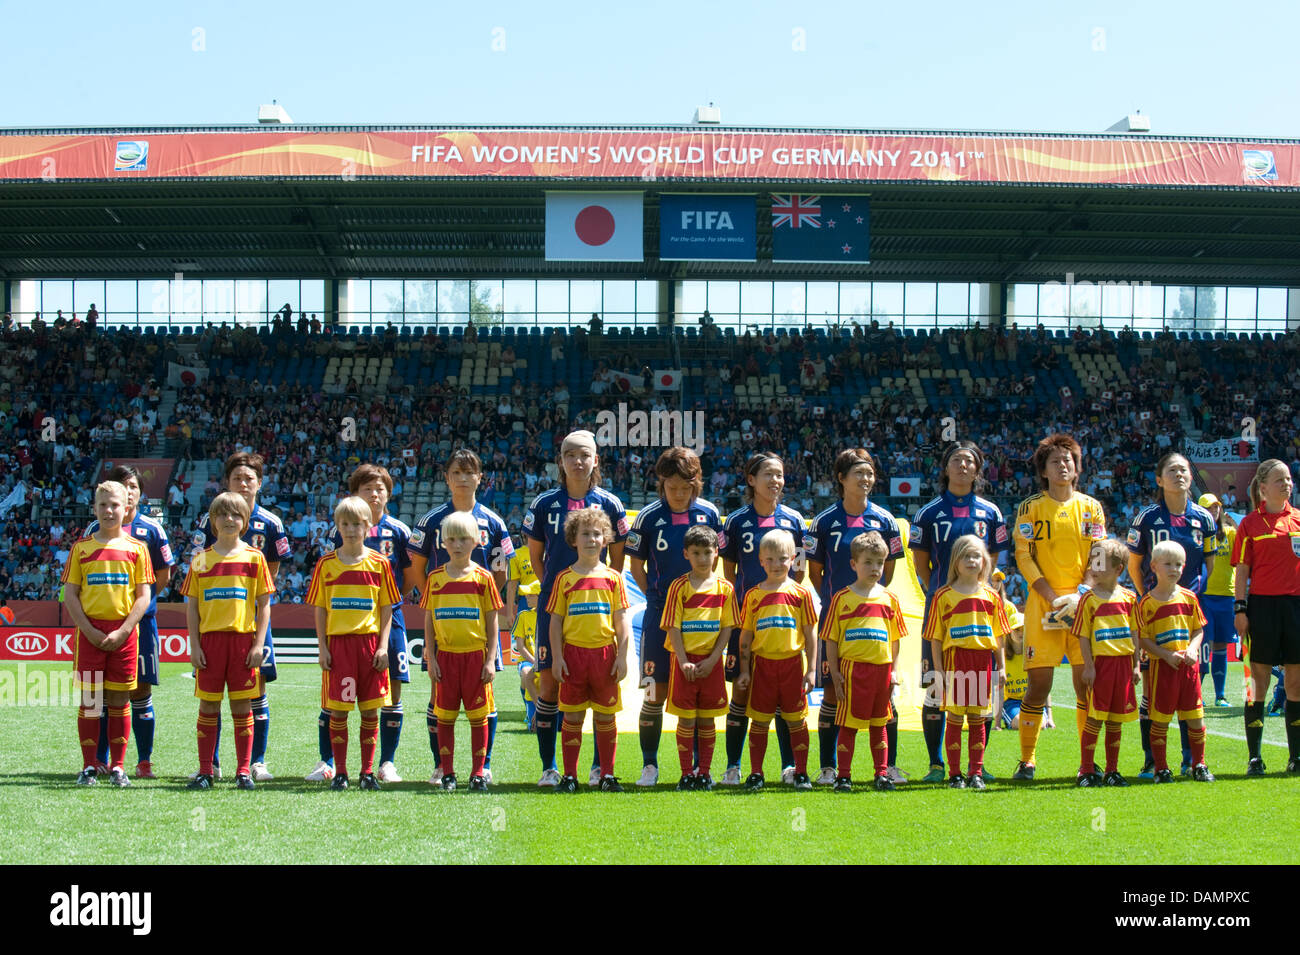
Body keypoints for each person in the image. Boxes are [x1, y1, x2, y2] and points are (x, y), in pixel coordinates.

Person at [522, 431, 628, 787]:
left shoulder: (610, 504)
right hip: (555, 609)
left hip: (595, 612)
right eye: (571, 455)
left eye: (585, 455)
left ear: (595, 460)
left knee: (601, 691)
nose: (578, 462)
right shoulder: (544, 504)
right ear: (561, 461)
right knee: (550, 686)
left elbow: (618, 561)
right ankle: (550, 767)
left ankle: (600, 768)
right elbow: (536, 556)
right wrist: (556, 588)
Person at [406, 449, 513, 785]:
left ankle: (484, 766)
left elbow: (501, 571)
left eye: (470, 472)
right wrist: (433, 601)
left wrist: (489, 604)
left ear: (481, 477)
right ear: (447, 478)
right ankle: (442, 765)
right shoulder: (431, 520)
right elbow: (415, 567)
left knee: (485, 699)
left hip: (480, 626)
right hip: (444, 627)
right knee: (439, 698)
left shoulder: (494, 522)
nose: (464, 477)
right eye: (457, 472)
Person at [307, 464, 413, 783]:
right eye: (367, 488)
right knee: (336, 700)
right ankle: (330, 763)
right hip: (343, 634)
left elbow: (408, 576)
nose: (374, 493)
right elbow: (322, 602)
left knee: (388, 691)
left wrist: (391, 599)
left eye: (380, 488)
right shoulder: (332, 552)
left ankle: (385, 763)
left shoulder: (399, 532)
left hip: (384, 620)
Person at [911, 441, 1009, 782]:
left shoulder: (991, 512)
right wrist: (942, 591)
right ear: (946, 467)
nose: (963, 466)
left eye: (969, 461)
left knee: (982, 693)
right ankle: (938, 763)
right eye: (956, 460)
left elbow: (994, 558)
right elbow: (921, 564)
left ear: (977, 469)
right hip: (944, 610)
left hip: (979, 612)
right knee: (937, 686)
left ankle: (975, 767)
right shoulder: (928, 513)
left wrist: (978, 585)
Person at [625, 447, 723, 786]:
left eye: (686, 487)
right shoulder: (648, 517)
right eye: (672, 487)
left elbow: (715, 562)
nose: (679, 494)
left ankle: (698, 770)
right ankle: (649, 765)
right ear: (661, 484)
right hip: (658, 618)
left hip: (701, 621)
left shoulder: (710, 513)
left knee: (696, 696)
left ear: (696, 484)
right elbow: (636, 566)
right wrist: (657, 596)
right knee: (654, 693)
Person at [1011, 433, 1107, 780]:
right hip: (1043, 605)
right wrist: (1053, 598)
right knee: (1040, 684)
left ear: (1076, 468)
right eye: (1056, 461)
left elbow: (1099, 553)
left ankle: (1086, 763)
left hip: (1083, 605)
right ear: (1044, 471)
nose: (1063, 464)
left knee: (1086, 683)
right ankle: (1027, 760)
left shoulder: (1091, 507)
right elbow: (1024, 556)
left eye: (1068, 460)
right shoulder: (1031, 507)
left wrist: (1082, 594)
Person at [806, 448, 904, 785]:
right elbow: (815, 572)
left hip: (874, 620)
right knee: (834, 695)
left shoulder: (886, 521)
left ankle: (886, 767)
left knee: (883, 698)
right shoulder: (823, 521)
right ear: (842, 478)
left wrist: (869, 598)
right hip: (838, 620)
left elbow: (888, 571)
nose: (865, 479)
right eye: (858, 473)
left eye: (869, 473)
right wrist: (840, 603)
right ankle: (830, 766)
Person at [195, 451, 290, 781]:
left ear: (259, 483)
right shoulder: (210, 519)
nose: (243, 483)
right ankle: (213, 763)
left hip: (253, 623)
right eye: (237, 478)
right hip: (216, 623)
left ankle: (255, 762)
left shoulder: (271, 523)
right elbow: (199, 571)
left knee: (255, 691)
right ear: (228, 482)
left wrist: (254, 595)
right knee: (211, 696)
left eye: (249, 478)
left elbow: (273, 568)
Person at [1125, 452, 1216, 777]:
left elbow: (1210, 562)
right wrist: (1147, 595)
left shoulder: (1204, 519)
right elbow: (1134, 564)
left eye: (1185, 470)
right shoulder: (1146, 518)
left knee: (1191, 682)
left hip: (1189, 612)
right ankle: (1153, 760)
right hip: (1154, 612)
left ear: (1191, 478)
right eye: (1172, 470)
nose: (1180, 474)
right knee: (1152, 689)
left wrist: (1193, 592)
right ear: (1160, 479)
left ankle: (1192, 760)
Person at [84, 464, 176, 779]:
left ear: (136, 493)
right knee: (102, 694)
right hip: (99, 625)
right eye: (123, 485)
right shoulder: (91, 533)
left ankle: (143, 761)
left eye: (133, 486)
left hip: (141, 624)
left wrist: (139, 604)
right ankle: (100, 761)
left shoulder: (152, 529)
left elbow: (163, 575)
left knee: (139, 690)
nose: (129, 491)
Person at [719, 452, 806, 785]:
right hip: (745, 622)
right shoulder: (737, 522)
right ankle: (733, 765)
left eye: (780, 475)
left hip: (782, 622)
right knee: (741, 692)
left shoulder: (795, 522)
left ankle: (788, 767)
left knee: (785, 697)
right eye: (768, 474)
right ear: (751, 480)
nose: (775, 481)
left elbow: (799, 571)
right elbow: (729, 574)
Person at [182, 492, 274, 790]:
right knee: (208, 707)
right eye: (223, 514)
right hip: (210, 644)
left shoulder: (254, 558)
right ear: (213, 521)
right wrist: (194, 646)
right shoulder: (200, 560)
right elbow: (192, 607)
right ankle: (206, 771)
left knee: (242, 708)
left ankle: (243, 772)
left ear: (245, 522)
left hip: (242, 643)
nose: (229, 520)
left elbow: (264, 605)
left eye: (236, 515)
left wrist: (259, 645)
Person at [64, 482, 154, 786]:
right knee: (91, 701)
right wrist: (87, 629)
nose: (109, 510)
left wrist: (125, 629)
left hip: (124, 634)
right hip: (90, 633)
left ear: (126, 508)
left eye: (115, 505)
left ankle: (118, 766)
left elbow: (143, 596)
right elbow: (71, 595)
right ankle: (89, 766)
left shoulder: (137, 549)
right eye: (102, 505)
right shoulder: (82, 548)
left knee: (119, 699)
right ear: (94, 509)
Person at [547, 508, 631, 793]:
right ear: (574, 539)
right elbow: (556, 621)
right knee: (572, 716)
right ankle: (570, 776)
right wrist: (557, 657)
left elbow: (621, 619)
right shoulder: (564, 579)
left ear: (606, 539)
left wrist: (622, 656)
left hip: (604, 656)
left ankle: (606, 775)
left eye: (597, 534)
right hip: (573, 656)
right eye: (585, 534)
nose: (591, 539)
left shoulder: (613, 578)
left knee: (606, 716)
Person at [421, 511, 503, 791]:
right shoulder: (435, 579)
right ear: (443, 543)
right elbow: (429, 621)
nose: (457, 545)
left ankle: (478, 773)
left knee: (478, 717)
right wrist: (430, 657)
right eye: (451, 539)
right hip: (445, 657)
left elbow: (492, 622)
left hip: (475, 657)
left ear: (476, 541)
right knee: (445, 716)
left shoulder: (483, 578)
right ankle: (448, 773)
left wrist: (490, 660)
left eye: (463, 539)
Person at [821, 531, 907, 792]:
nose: (874, 568)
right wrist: (835, 672)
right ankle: (843, 776)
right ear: (853, 564)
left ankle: (881, 774)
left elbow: (895, 639)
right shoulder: (842, 599)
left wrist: (894, 671)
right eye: (868, 562)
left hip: (881, 670)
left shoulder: (890, 599)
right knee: (848, 724)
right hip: (852, 670)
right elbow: (831, 640)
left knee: (879, 722)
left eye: (879, 562)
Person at [923, 535, 1010, 790]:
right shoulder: (943, 596)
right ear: (955, 562)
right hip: (955, 661)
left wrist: (1001, 667)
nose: (972, 561)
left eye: (976, 556)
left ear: (985, 562)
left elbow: (998, 636)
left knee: (978, 719)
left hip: (982, 661)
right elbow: (936, 639)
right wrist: (939, 671)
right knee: (954, 718)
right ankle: (955, 774)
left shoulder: (992, 597)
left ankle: (976, 772)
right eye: (966, 556)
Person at [734, 529, 818, 791]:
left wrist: (812, 669)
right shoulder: (753, 595)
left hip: (792, 665)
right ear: (760, 561)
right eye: (769, 559)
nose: (776, 565)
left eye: (782, 559)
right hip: (763, 667)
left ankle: (801, 772)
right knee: (759, 720)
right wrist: (745, 670)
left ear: (793, 559)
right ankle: (756, 773)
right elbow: (745, 637)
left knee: (795, 720)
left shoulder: (801, 594)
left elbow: (810, 633)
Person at [1231, 459, 1300, 775]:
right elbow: (1242, 570)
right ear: (1262, 487)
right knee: (1257, 682)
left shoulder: (1299, 520)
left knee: (1296, 683)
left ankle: (1296, 757)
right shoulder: (1249, 524)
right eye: (1279, 479)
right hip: (1261, 608)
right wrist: (1240, 609)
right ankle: (1255, 758)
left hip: (1296, 608)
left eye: (1288, 479)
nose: (1287, 483)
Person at [660, 525, 738, 790]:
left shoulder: (725, 589)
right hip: (684, 662)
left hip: (710, 662)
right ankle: (685, 773)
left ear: (717, 553)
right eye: (697, 553)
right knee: (686, 719)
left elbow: (728, 627)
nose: (703, 558)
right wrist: (682, 660)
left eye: (708, 552)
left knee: (707, 719)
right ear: (686, 554)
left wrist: (715, 658)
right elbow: (673, 625)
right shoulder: (679, 587)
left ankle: (703, 772)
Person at [1136, 541, 1214, 783]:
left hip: (1188, 669)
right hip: (1163, 669)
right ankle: (1161, 768)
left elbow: (1198, 631)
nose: (1174, 568)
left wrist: (1192, 648)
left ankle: (1199, 764)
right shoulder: (1147, 603)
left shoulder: (1189, 598)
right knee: (1159, 719)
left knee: (1195, 717)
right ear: (1153, 566)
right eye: (1168, 564)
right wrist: (1164, 654)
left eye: (1178, 564)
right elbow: (1143, 639)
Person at [1071, 539, 1140, 787]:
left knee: (1115, 719)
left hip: (1122, 666)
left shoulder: (1129, 599)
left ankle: (1112, 770)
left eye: (1101, 563)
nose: (1095, 568)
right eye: (1093, 562)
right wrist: (1088, 666)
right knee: (1094, 718)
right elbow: (1083, 635)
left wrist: (1135, 665)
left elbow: (1135, 634)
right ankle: (1086, 770)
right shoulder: (1088, 600)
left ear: (1118, 569)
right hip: (1101, 666)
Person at [1199, 493, 1238, 707]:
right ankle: (1196, 694)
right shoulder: (1197, 534)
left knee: (1221, 644)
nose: (1213, 511)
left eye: (1215, 508)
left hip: (1226, 596)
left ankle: (1220, 695)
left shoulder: (1230, 533)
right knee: (1203, 645)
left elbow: (1241, 555)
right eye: (1208, 508)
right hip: (1204, 596)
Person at [512, 581, 540, 731]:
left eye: (530, 595)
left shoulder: (550, 616)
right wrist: (535, 661)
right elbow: (520, 647)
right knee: (527, 673)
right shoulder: (523, 616)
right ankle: (531, 709)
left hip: (544, 660)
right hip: (528, 660)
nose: (526, 598)